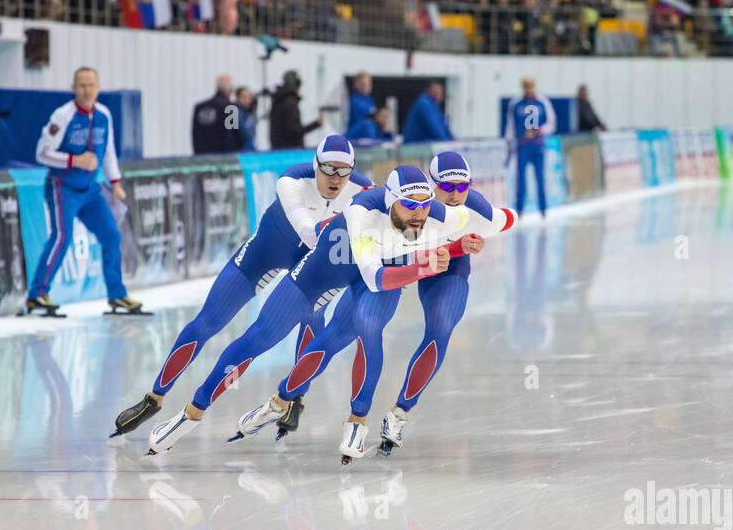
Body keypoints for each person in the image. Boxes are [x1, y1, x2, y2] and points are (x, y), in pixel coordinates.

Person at [137, 166, 491, 461]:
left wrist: (465, 240)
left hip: (386, 269)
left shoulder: (440, 214)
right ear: (391, 201)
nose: (419, 214)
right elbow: (372, 275)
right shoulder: (362, 212)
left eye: (425, 206)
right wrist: (422, 268)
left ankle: (356, 419)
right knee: (260, 336)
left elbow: (499, 219)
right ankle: (193, 413)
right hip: (336, 267)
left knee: (366, 330)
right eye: (410, 206)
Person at [111, 135, 371, 436]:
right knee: (207, 321)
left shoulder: (362, 189)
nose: (335, 178)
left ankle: (295, 397)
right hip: (264, 254)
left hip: (311, 265)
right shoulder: (292, 181)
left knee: (310, 319)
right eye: (328, 169)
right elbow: (309, 233)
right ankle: (154, 397)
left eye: (343, 171)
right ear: (315, 165)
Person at [278, 151, 515, 457]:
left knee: (441, 328)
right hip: (394, 262)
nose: (455, 195)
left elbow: (507, 218)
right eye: (447, 187)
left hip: (443, 267)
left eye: (462, 187)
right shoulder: (411, 203)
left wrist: (463, 246)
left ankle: (400, 412)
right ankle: (289, 397)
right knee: (341, 330)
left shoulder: (473, 206)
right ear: (430, 186)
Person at [26, 67, 143, 316]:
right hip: (62, 187)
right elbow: (41, 152)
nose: (87, 90)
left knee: (111, 236)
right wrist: (74, 161)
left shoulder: (104, 115)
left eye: (91, 85)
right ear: (73, 88)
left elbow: (108, 150)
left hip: (90, 189)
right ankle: (37, 295)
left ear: (98, 87)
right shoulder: (63, 115)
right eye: (81, 85)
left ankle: (117, 295)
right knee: (62, 237)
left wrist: (116, 183)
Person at [504, 76, 556, 217]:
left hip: (537, 146)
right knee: (520, 179)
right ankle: (520, 209)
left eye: (530, 85)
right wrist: (509, 142)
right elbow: (510, 125)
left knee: (540, 177)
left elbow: (551, 123)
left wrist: (540, 130)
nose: (528, 88)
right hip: (522, 146)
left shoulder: (542, 102)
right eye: (526, 85)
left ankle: (543, 208)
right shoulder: (516, 103)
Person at [269, 70, 323, 149]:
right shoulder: (289, 103)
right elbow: (294, 131)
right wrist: (316, 124)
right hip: (290, 151)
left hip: (279, 150)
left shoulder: (279, 100)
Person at [191, 74, 238, 154]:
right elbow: (232, 136)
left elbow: (195, 134)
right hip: (224, 157)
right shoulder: (230, 107)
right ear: (230, 90)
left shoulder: (199, 107)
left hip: (202, 155)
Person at [234, 86, 258, 152]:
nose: (246, 100)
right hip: (239, 153)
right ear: (237, 98)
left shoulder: (249, 114)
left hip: (250, 151)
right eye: (243, 97)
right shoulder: (233, 113)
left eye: (249, 97)